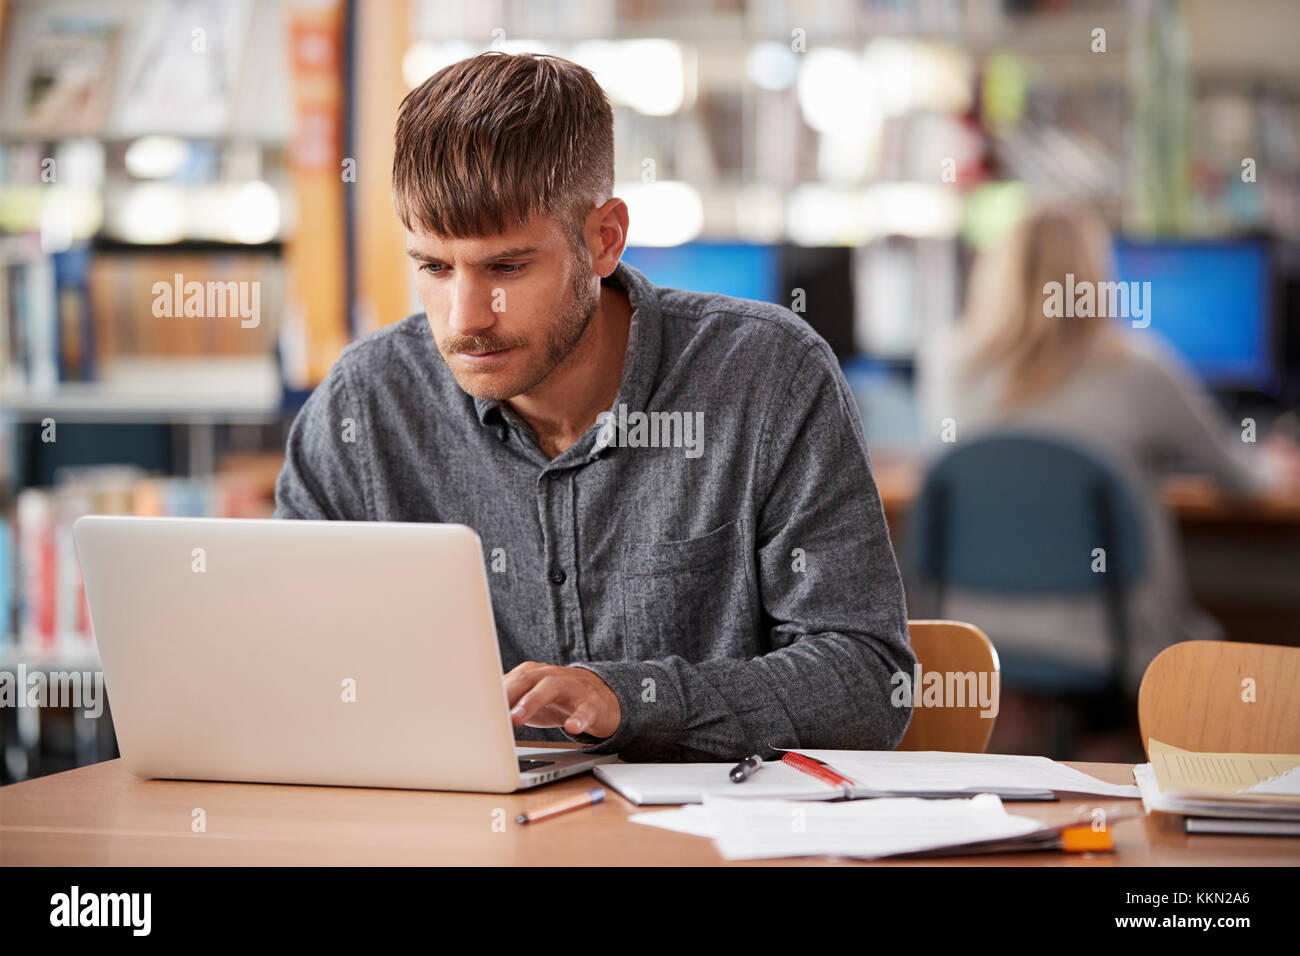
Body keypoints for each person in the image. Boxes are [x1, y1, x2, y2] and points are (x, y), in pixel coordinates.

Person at [273, 52, 913, 761]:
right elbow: (286, 662)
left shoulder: (768, 378)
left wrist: (631, 698)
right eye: (433, 267)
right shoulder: (367, 403)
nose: (464, 319)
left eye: (507, 267)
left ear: (603, 239)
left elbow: (866, 680)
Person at [919, 204, 1298, 694]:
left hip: (972, 637)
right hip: (1113, 639)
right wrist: (1273, 460)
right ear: (1095, 273)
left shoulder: (948, 366)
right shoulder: (1140, 368)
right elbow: (1241, 481)